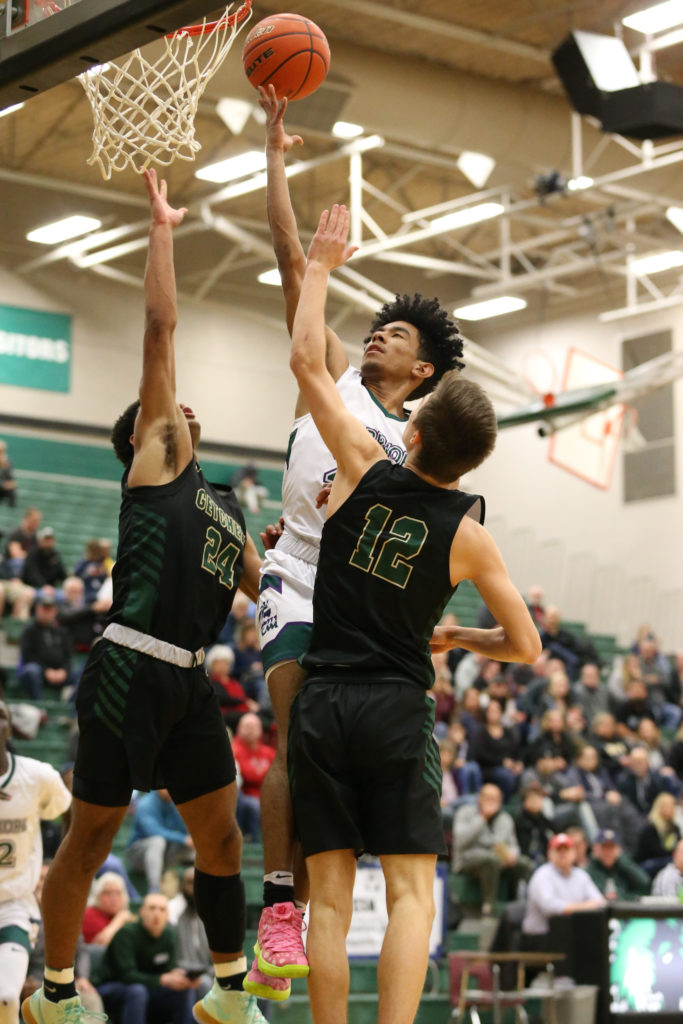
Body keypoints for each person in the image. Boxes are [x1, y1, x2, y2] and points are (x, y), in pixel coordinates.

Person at [281, 202, 540, 1024]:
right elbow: (527, 647)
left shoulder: (360, 464)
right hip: (396, 709)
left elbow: (306, 363)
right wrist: (460, 634)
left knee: (327, 897)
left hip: (323, 700)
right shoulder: (470, 536)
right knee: (408, 895)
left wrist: (319, 267)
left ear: (416, 432)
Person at [21, 170, 267, 1024]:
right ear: (143, 435)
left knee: (225, 838)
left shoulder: (228, 506)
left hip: (190, 680)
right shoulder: (158, 461)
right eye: (166, 408)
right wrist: (162, 227)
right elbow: (161, 325)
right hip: (128, 668)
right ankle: (56, 996)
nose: (184, 405)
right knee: (91, 841)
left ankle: (229, 994)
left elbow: (266, 591)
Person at [250, 87, 469, 994]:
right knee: (296, 736)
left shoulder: (412, 448)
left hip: (351, 597)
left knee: (320, 766)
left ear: (421, 372)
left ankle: (288, 937)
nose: (377, 333)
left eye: (398, 334)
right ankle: (275, 912)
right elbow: (291, 258)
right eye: (376, 325)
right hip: (294, 568)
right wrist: (274, 157)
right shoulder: (337, 381)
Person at [0, 701, 72, 1024]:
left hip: (14, 903)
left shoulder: (37, 776)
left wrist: (68, 862)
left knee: (5, 998)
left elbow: (69, 808)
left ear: (10, 726)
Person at [94, 892, 196, 1024]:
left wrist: (180, 976)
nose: (156, 914)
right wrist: (163, 979)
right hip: (111, 987)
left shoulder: (169, 934)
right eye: (152, 908)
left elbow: (170, 968)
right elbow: (127, 976)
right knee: (137, 991)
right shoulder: (126, 933)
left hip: (148, 989)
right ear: (142, 912)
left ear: (167, 916)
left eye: (162, 909)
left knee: (183, 989)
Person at [452, 784, 533, 915]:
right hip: (467, 860)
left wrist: (512, 854)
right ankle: (489, 907)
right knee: (491, 860)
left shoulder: (505, 819)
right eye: (488, 798)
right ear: (480, 799)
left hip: (498, 861)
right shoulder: (465, 812)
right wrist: (482, 817)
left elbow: (514, 845)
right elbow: (461, 841)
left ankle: (517, 905)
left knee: (524, 863)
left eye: (495, 799)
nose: (491, 802)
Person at [522, 833, 605, 946]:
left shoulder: (581, 875)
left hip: (572, 935)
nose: (563, 854)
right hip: (540, 938)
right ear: (549, 854)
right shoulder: (542, 875)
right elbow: (550, 908)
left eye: (566, 850)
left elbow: (600, 902)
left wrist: (571, 908)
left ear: (574, 854)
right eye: (558, 850)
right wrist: (584, 906)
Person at [126, 790, 193, 895]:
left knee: (191, 845)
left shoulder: (174, 803)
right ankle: (154, 889)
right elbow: (154, 832)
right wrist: (183, 839)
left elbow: (184, 831)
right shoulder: (146, 804)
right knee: (157, 841)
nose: (170, 789)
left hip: (164, 855)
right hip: (138, 855)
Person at [17, 594, 78, 701]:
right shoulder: (29, 631)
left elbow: (68, 656)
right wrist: (46, 670)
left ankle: (70, 711)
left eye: (49, 609)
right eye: (44, 608)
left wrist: (63, 671)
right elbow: (28, 656)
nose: (46, 612)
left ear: (54, 612)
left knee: (84, 675)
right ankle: (39, 707)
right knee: (32, 670)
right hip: (38, 671)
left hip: (59, 673)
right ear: (37, 610)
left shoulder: (62, 632)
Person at [232, 714, 275, 843]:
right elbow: (247, 776)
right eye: (247, 726)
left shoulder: (269, 752)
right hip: (243, 798)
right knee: (253, 806)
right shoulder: (233, 750)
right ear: (239, 729)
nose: (251, 729)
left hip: (268, 796)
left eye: (254, 726)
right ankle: (253, 845)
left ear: (261, 729)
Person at [586, 829, 650, 901]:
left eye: (611, 847)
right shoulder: (589, 871)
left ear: (618, 849)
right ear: (595, 849)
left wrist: (626, 898)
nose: (608, 852)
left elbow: (645, 883)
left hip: (623, 909)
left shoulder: (623, 866)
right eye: (604, 847)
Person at [81, 872, 135, 946]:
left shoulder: (122, 915)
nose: (114, 898)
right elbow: (102, 943)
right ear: (97, 896)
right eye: (108, 893)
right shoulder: (89, 914)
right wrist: (120, 919)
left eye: (118, 893)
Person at [0, 440, 16, 507]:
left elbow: (10, 477)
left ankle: (11, 508)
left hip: (3, 488)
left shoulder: (8, 462)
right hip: (1, 484)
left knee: (11, 490)